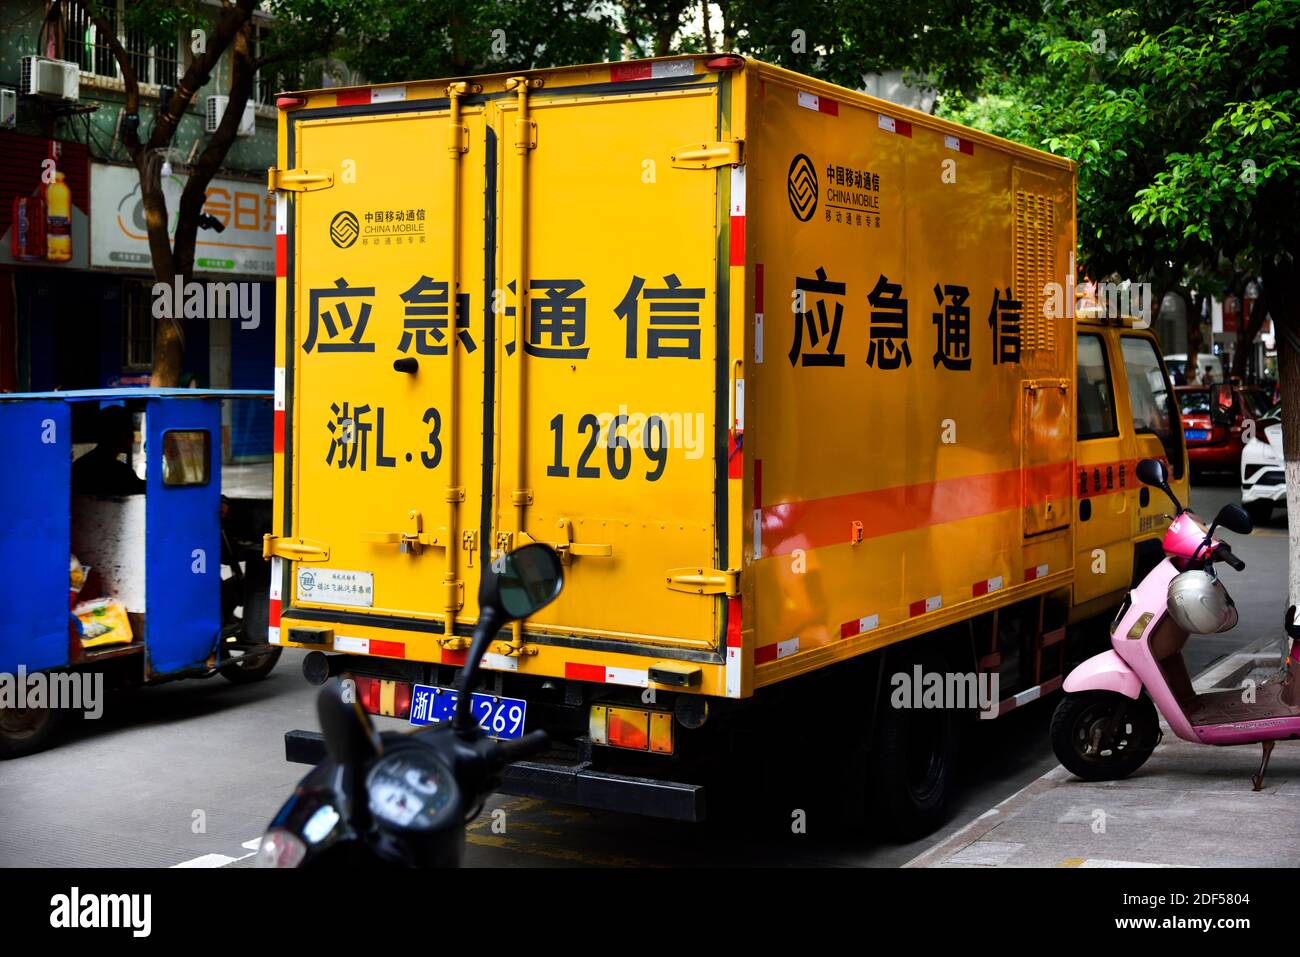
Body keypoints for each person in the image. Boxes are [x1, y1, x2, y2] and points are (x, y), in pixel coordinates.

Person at [71, 405, 146, 495]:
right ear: (118, 434)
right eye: (130, 431)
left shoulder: (79, 466)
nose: (133, 438)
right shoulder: (121, 473)